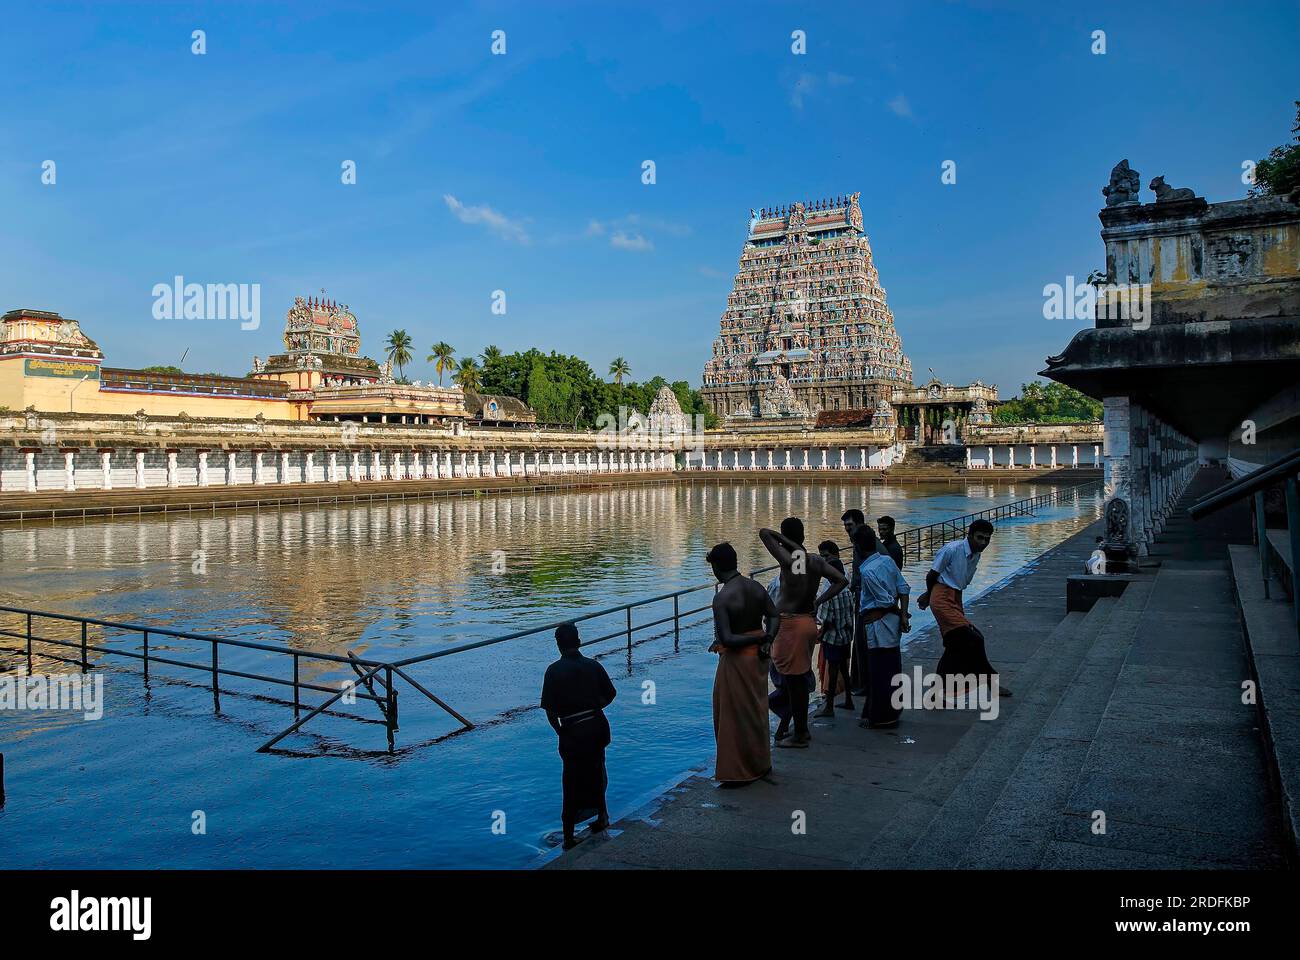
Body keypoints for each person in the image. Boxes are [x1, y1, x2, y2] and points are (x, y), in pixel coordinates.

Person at [760, 517, 849, 748]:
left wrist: (785, 541)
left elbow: (763, 533)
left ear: (787, 537)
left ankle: (800, 733)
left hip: (791, 626)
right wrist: (818, 600)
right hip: (808, 622)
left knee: (793, 683)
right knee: (796, 681)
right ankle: (798, 729)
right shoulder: (815, 560)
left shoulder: (789, 559)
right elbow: (841, 580)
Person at [540, 622, 617, 849]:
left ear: (558, 645)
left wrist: (560, 731)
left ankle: (568, 835)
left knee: (571, 781)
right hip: (596, 727)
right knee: (597, 770)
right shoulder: (593, 666)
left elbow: (551, 711)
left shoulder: (553, 671)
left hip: (572, 731)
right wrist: (594, 708)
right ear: (579, 641)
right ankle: (602, 816)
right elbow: (610, 694)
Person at [916, 519, 1011, 699]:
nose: (983, 543)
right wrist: (928, 596)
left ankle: (935, 694)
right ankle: (990, 680)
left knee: (955, 646)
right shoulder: (952, 550)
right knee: (974, 638)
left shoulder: (976, 555)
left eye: (987, 539)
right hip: (942, 598)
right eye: (980, 538)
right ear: (969, 535)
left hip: (955, 597)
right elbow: (932, 575)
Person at [707, 542, 776, 784]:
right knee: (756, 711)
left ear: (716, 567)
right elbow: (774, 615)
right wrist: (766, 641)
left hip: (736, 662)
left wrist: (757, 637)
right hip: (757, 658)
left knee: (731, 715)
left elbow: (727, 638)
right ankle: (761, 763)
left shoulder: (722, 598)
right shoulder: (755, 587)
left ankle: (737, 770)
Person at [852, 525, 911, 728]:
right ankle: (883, 711)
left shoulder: (868, 572)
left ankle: (880, 715)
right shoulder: (886, 561)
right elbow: (903, 588)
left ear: (858, 547)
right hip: (890, 623)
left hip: (878, 624)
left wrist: (897, 612)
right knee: (891, 667)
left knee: (878, 671)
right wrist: (903, 614)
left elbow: (885, 601)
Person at [813, 540, 855, 717]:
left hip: (832, 637)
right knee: (845, 669)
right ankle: (848, 699)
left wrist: (820, 632)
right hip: (846, 635)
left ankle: (829, 706)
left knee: (832, 670)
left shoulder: (829, 594)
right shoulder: (846, 589)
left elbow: (825, 619)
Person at [841, 509, 869, 695]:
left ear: (859, 524)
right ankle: (857, 681)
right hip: (859, 595)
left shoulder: (865, 544)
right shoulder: (857, 542)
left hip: (866, 598)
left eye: (849, 526)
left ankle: (862, 684)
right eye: (845, 526)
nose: (846, 530)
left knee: (862, 641)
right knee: (859, 641)